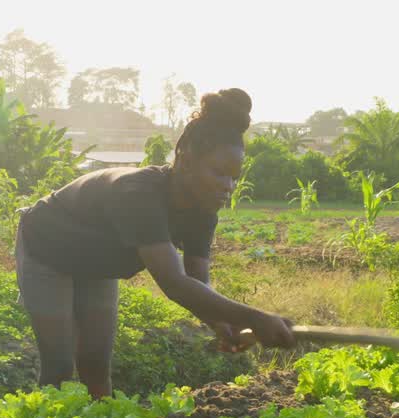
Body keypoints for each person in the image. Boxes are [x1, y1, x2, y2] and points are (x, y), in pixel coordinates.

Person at [15, 88, 296, 397]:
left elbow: (197, 281)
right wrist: (254, 317)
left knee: (96, 363)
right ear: (186, 159)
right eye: (218, 173)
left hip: (96, 264)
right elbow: (174, 283)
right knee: (59, 365)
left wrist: (221, 324)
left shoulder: (203, 211)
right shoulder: (139, 195)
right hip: (49, 247)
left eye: (234, 178)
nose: (228, 187)